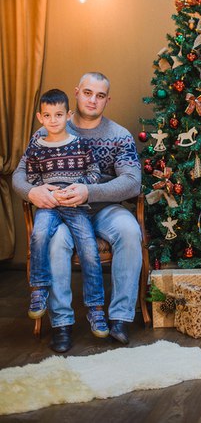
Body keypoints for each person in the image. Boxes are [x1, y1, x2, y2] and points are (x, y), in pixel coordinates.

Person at [12, 72, 142, 353]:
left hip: (104, 208)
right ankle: (62, 323)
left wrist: (89, 191)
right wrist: (32, 193)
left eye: (100, 95)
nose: (93, 100)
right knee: (57, 241)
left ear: (107, 100)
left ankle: (120, 318)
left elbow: (133, 182)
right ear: (76, 93)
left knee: (130, 230)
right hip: (62, 210)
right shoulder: (50, 127)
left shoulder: (119, 135)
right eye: (87, 93)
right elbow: (20, 175)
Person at [23, 89, 109, 339]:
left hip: (74, 206)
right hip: (49, 206)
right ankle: (39, 289)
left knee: (89, 249)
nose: (53, 120)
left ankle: (95, 309)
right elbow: (32, 177)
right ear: (40, 117)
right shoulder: (36, 147)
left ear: (68, 115)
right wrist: (44, 189)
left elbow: (94, 173)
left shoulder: (80, 144)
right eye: (47, 115)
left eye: (58, 115)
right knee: (39, 234)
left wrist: (76, 186)